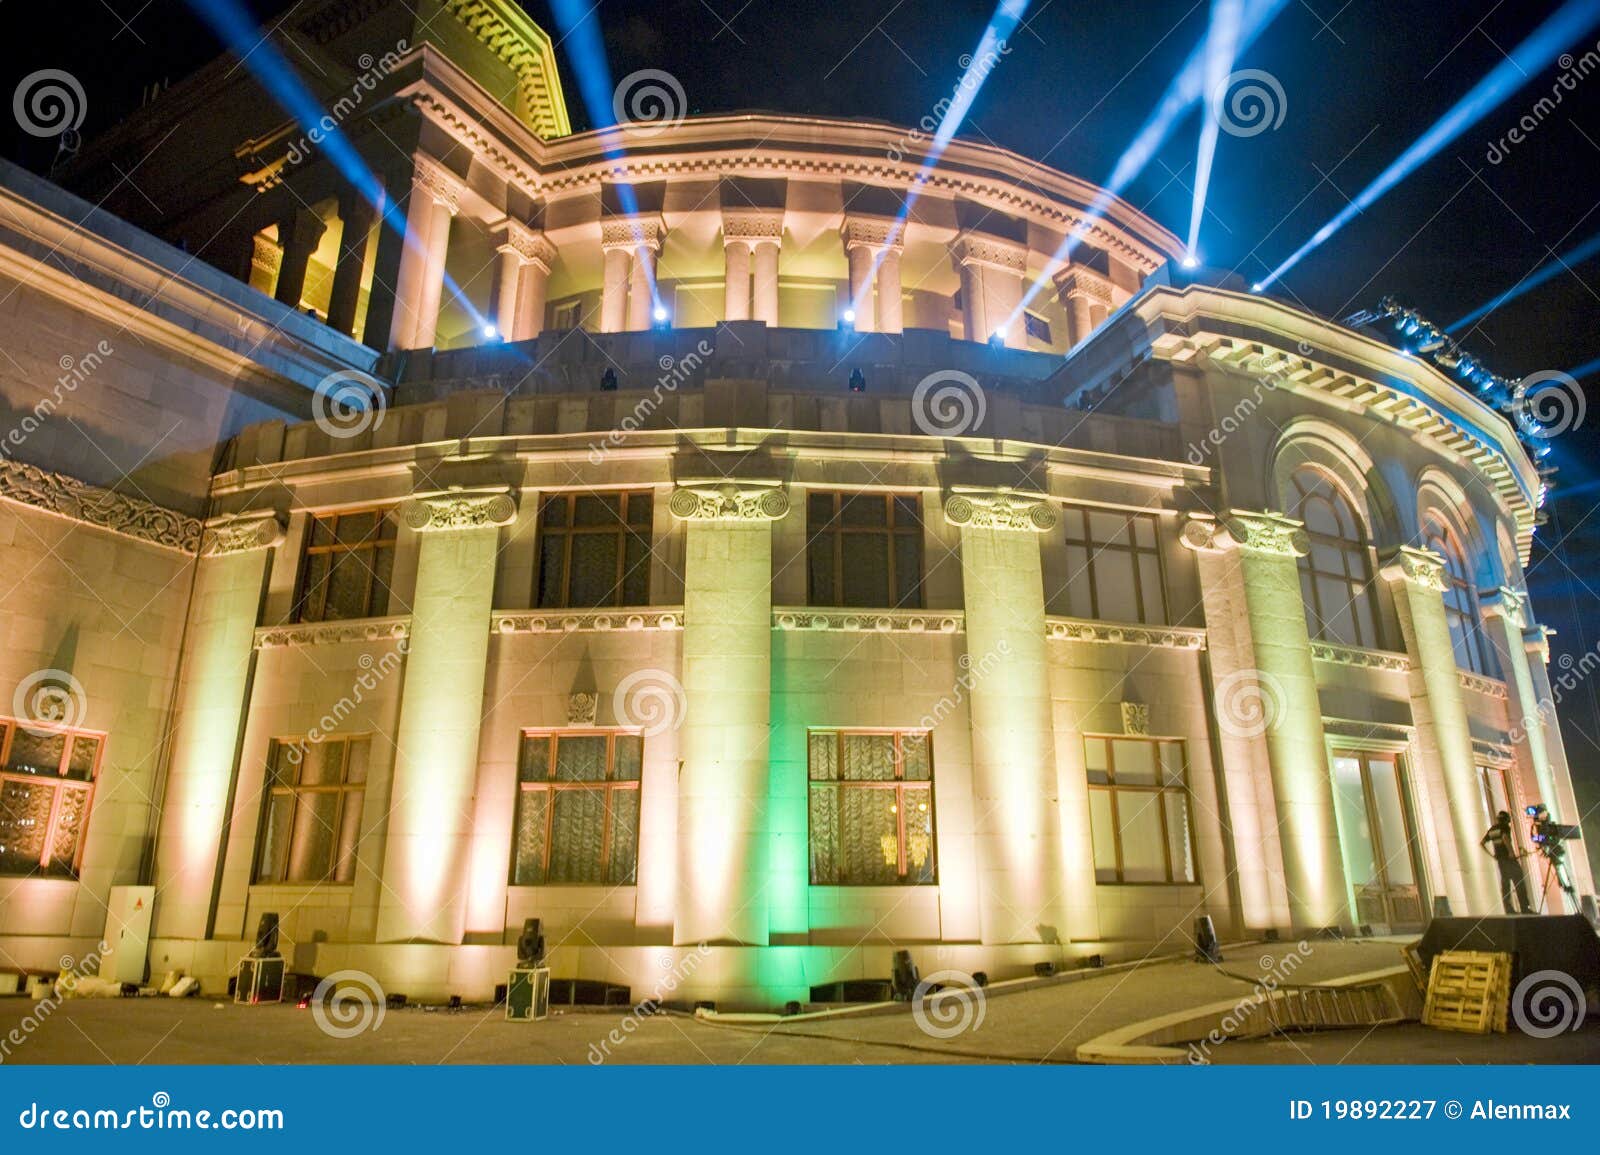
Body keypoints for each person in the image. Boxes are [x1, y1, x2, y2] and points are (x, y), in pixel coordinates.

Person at [1480, 811, 1533, 915]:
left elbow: (1482, 843)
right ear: (1506, 819)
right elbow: (1505, 838)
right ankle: (1524, 908)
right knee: (1519, 882)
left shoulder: (1492, 830)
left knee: (1505, 885)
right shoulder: (1505, 827)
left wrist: (1492, 855)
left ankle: (1509, 910)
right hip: (1509, 860)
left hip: (1501, 861)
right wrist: (1511, 852)